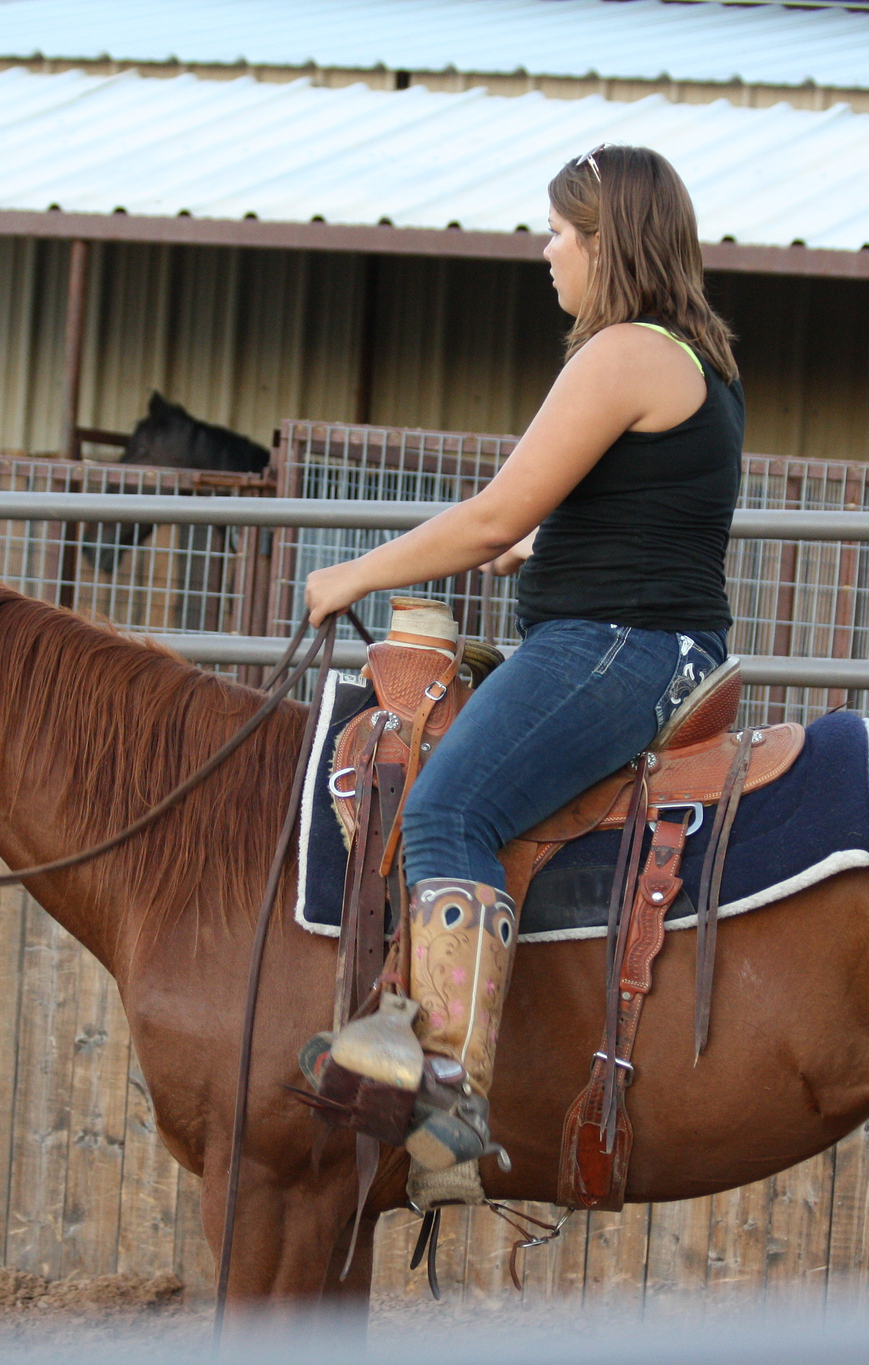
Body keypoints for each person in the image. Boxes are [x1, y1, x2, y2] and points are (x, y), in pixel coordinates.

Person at [303, 144, 745, 1176]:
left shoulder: (621, 353)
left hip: (612, 648)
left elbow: (493, 507)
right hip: (655, 642)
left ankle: (447, 1094)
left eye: (557, 232)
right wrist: (544, 545)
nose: (544, 253)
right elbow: (649, 510)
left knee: (447, 811)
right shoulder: (693, 356)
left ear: (606, 243)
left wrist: (351, 576)